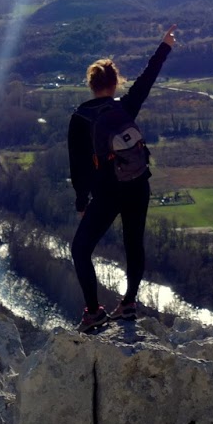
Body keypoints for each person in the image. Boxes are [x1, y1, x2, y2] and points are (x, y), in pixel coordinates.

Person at [68, 25, 177, 332]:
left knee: (80, 250)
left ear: (91, 85)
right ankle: (128, 304)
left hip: (107, 193)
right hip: (138, 184)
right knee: (133, 245)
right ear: (115, 84)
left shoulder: (80, 118)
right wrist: (164, 46)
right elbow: (148, 77)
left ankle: (93, 311)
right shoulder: (126, 106)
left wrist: (81, 201)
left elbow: (78, 166)